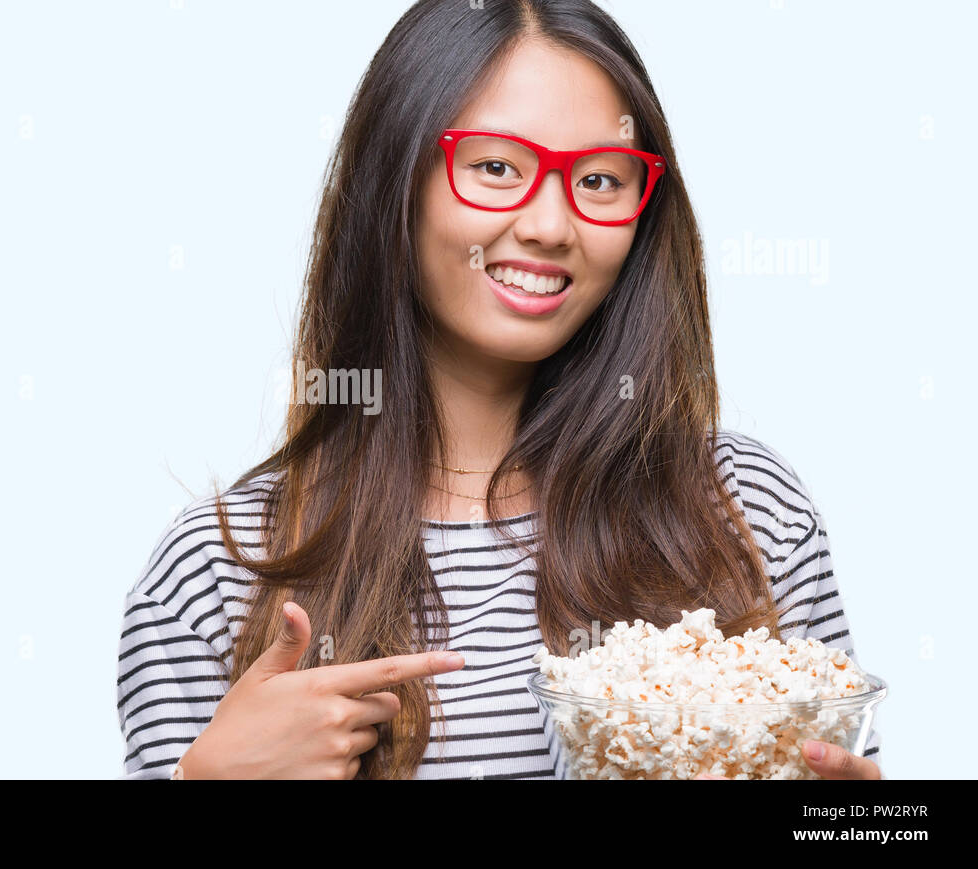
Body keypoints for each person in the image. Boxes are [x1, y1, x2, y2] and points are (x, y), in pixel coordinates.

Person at [116, 0, 883, 780]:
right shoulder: (219, 572)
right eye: (496, 168)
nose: (551, 225)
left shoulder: (742, 510)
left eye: (599, 179)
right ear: (395, 184)